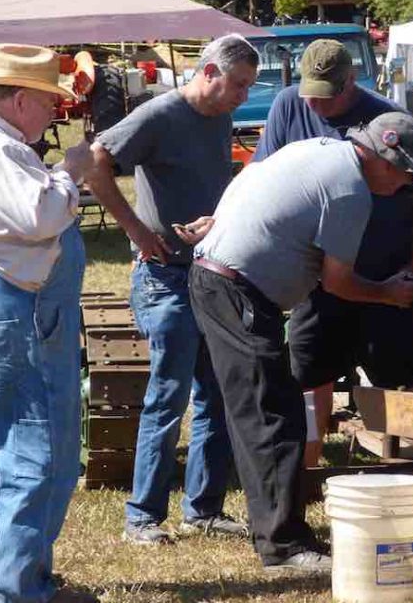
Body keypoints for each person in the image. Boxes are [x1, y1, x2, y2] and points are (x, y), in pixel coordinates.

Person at [190, 111, 413, 574]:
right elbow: (338, 282)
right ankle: (283, 548)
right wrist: (388, 293)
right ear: (383, 158)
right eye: (406, 174)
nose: (406, 184)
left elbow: (250, 177)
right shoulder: (350, 191)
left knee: (267, 411)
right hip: (235, 290)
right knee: (273, 417)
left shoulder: (317, 150)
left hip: (221, 280)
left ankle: (273, 530)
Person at [0, 44, 95, 603]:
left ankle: (4, 574)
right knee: (38, 453)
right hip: (21, 316)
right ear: (22, 99)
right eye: (49, 102)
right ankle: (24, 588)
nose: (55, 113)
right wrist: (70, 172)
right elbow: (40, 215)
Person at [87, 34, 259, 545]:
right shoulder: (158, 115)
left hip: (210, 273)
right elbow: (95, 161)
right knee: (168, 396)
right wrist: (138, 232)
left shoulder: (219, 118)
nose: (243, 97)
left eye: (248, 87)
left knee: (216, 394)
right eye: (238, 85)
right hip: (164, 279)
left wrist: (216, 220)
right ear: (208, 72)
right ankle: (142, 517)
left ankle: (202, 510)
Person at [252, 40, 413, 464]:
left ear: (350, 82)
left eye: (326, 96)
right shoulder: (288, 106)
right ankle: (306, 469)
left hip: (384, 271)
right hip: (315, 277)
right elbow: (261, 174)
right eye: (310, 94)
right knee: (308, 375)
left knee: (397, 376)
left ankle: (404, 468)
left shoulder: (390, 119)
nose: (315, 105)